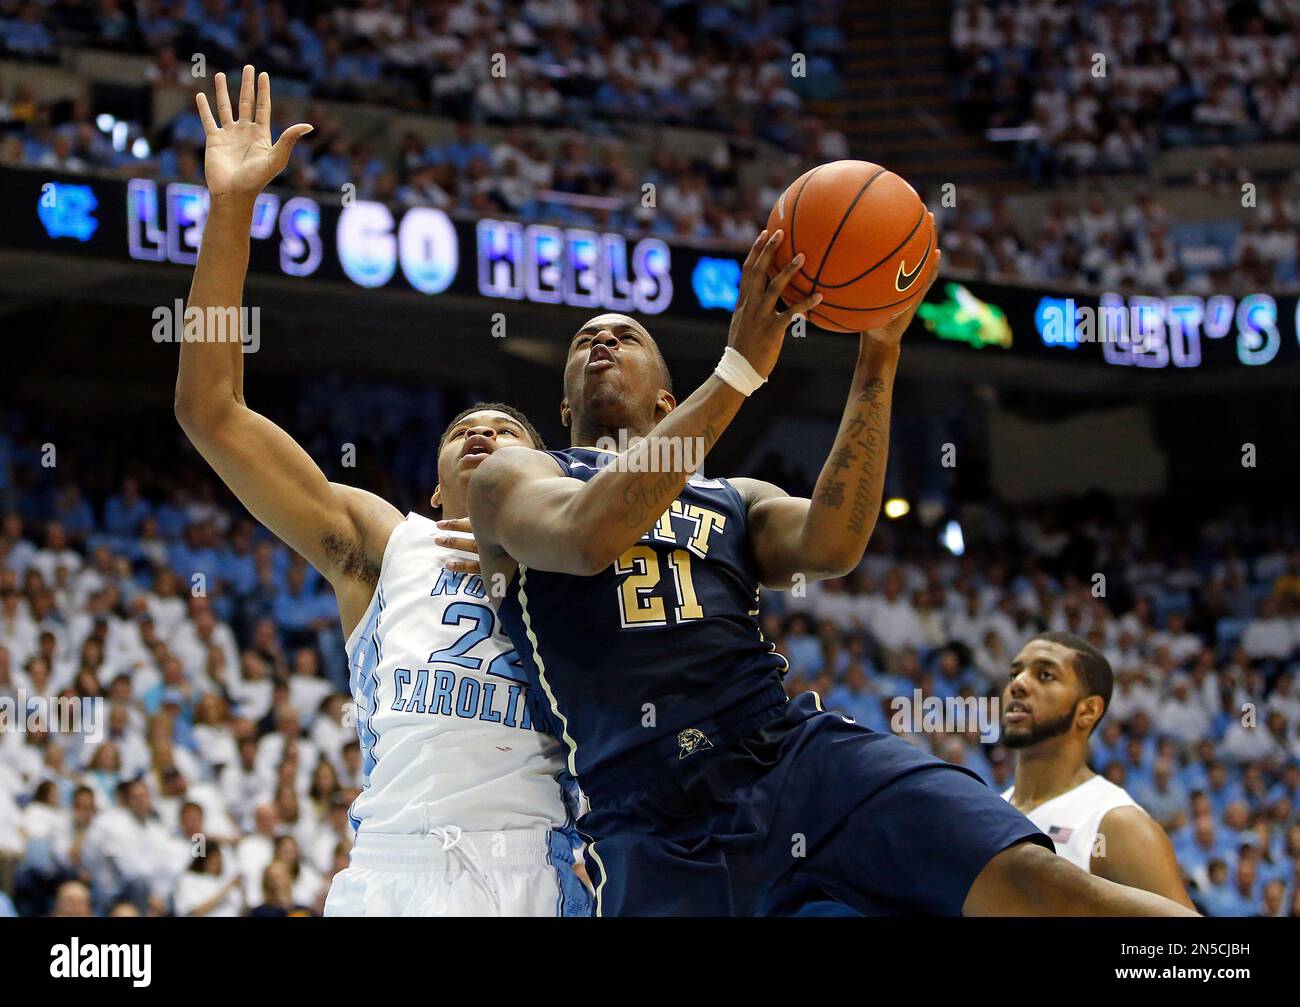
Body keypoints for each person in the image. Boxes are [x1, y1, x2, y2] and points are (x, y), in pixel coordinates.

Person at [469, 228, 1196, 917]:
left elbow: (834, 541)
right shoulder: (513, 476)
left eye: (626, 336)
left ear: (667, 403)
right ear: (562, 405)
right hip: (646, 807)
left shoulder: (732, 497)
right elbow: (587, 537)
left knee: (1031, 881)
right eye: (585, 338)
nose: (603, 339)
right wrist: (738, 370)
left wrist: (878, 354)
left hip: (786, 752)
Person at [175, 65, 586, 917]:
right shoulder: (387, 541)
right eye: (463, 431)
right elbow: (211, 413)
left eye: (510, 433)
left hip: (540, 870)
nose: (483, 435)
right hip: (392, 869)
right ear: (435, 492)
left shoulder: (585, 560)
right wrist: (230, 211)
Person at [1000, 632, 1195, 908]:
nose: (1018, 685)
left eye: (1045, 675)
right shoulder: (994, 809)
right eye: (1014, 674)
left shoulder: (1118, 825)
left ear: (1088, 711)